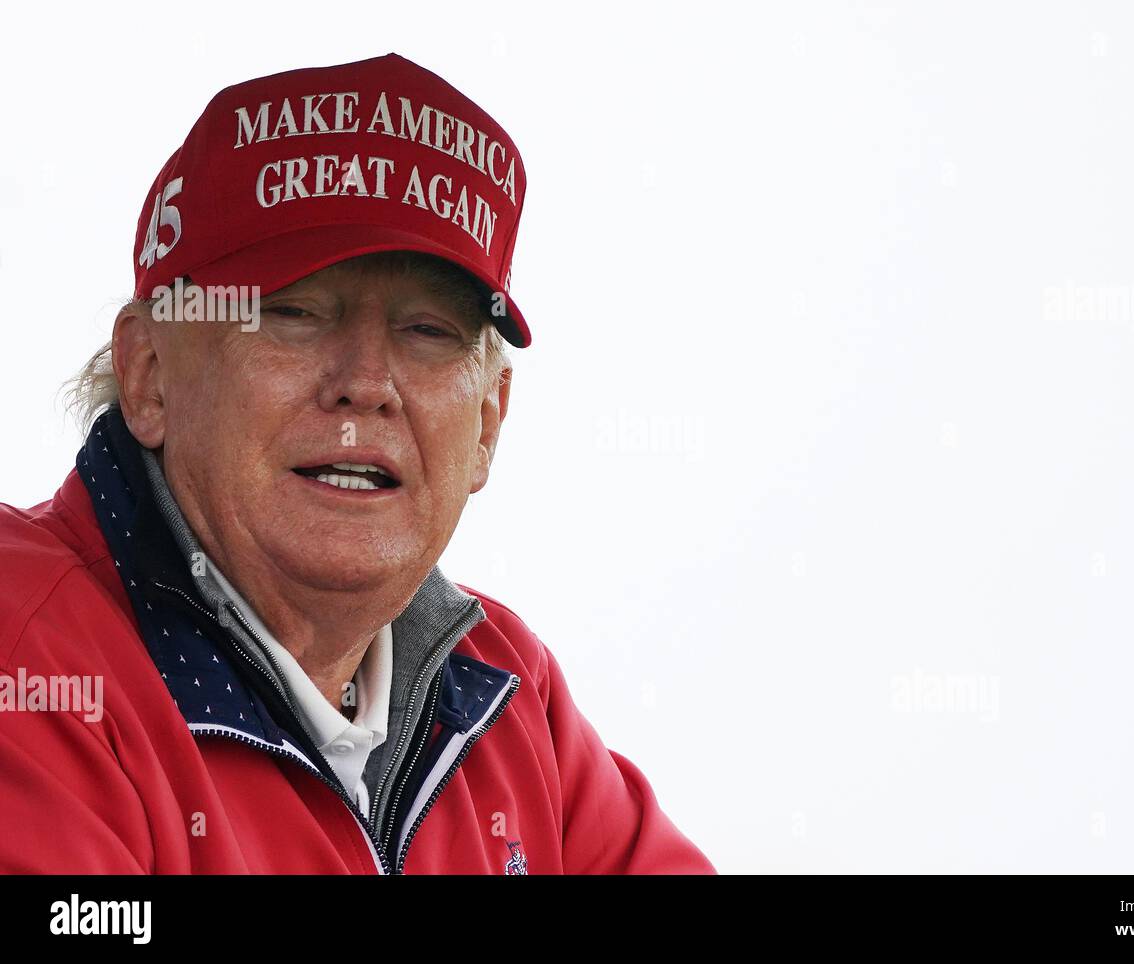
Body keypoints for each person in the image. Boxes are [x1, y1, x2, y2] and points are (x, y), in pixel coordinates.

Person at [0, 52, 715, 875]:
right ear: (149, 374)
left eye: (427, 332)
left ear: (488, 422)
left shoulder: (506, 691)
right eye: (296, 312)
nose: (366, 386)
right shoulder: (31, 657)